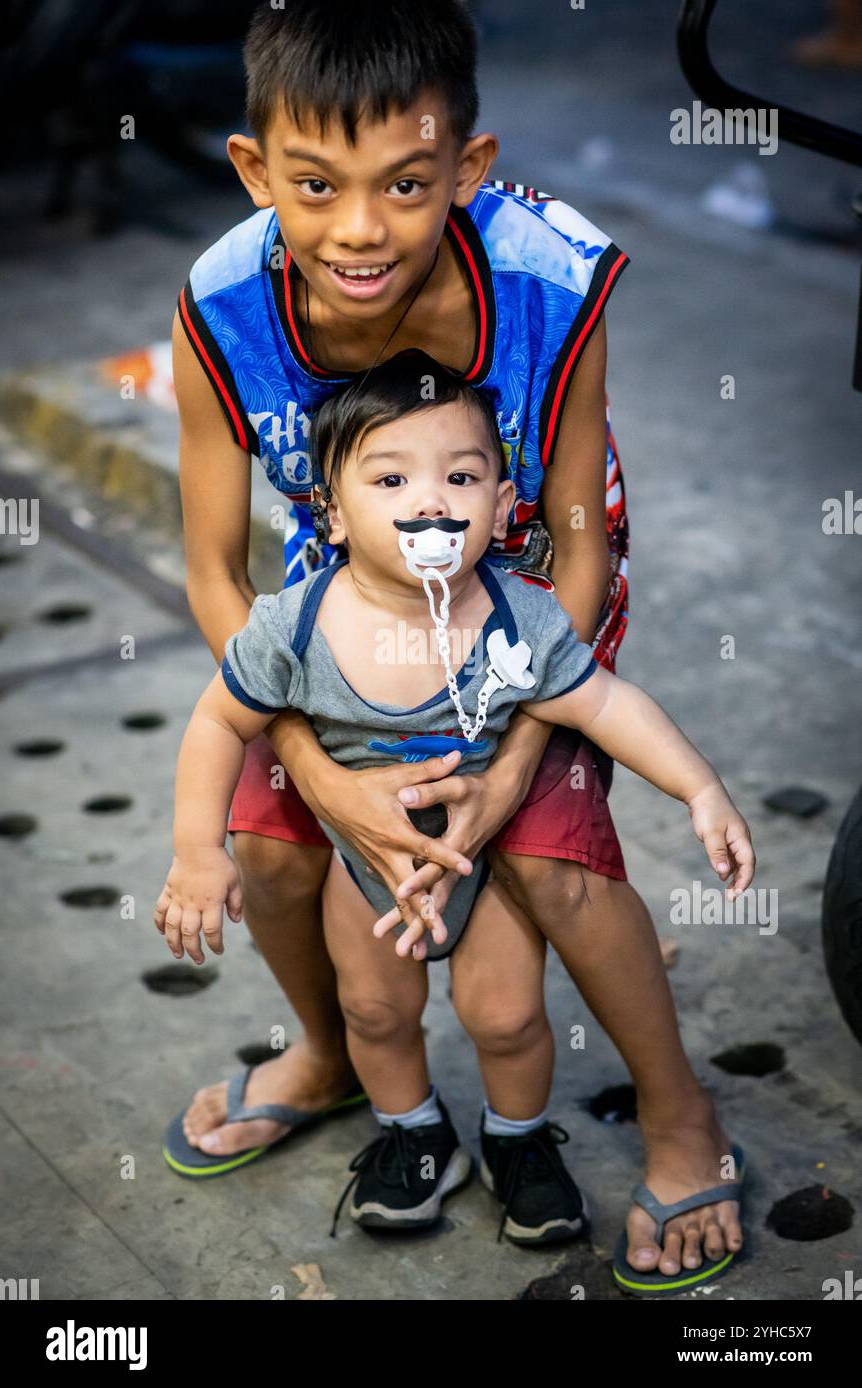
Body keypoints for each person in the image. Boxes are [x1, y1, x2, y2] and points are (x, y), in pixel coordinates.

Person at [162, 0, 746, 1293]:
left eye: (406, 184)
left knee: (557, 862)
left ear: (466, 169)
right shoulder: (217, 305)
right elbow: (214, 569)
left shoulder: (547, 273)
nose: (358, 228)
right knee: (266, 838)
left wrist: (510, 753)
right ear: (257, 171)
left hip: (537, 603)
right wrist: (315, 767)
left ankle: (676, 1115)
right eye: (314, 185)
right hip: (339, 619)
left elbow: (584, 540)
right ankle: (325, 1051)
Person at [156, 353, 754, 1268]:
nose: (430, 501)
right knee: (374, 1010)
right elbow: (216, 721)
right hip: (368, 870)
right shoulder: (296, 622)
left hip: (485, 859)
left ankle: (516, 1139)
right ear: (331, 509)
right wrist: (199, 851)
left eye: (461, 477)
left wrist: (699, 787)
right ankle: (414, 1132)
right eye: (391, 478)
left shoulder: (520, 614)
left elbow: (604, 707)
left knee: (507, 1016)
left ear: (506, 502)